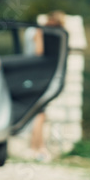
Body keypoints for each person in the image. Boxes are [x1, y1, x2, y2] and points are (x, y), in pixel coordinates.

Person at [27, 11, 66, 161]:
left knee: (39, 112)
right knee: (40, 113)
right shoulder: (59, 34)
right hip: (49, 75)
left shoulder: (41, 31)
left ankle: (37, 147)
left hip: (39, 74)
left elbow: (38, 51)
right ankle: (37, 147)